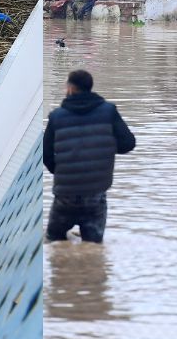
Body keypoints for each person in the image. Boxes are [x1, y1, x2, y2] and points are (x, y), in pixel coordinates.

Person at [43, 69, 135, 243]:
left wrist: (62, 173)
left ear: (70, 88)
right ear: (90, 88)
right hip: (96, 194)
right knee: (93, 246)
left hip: (65, 194)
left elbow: (46, 154)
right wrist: (104, 148)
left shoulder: (56, 117)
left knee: (53, 242)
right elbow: (128, 144)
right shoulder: (109, 111)